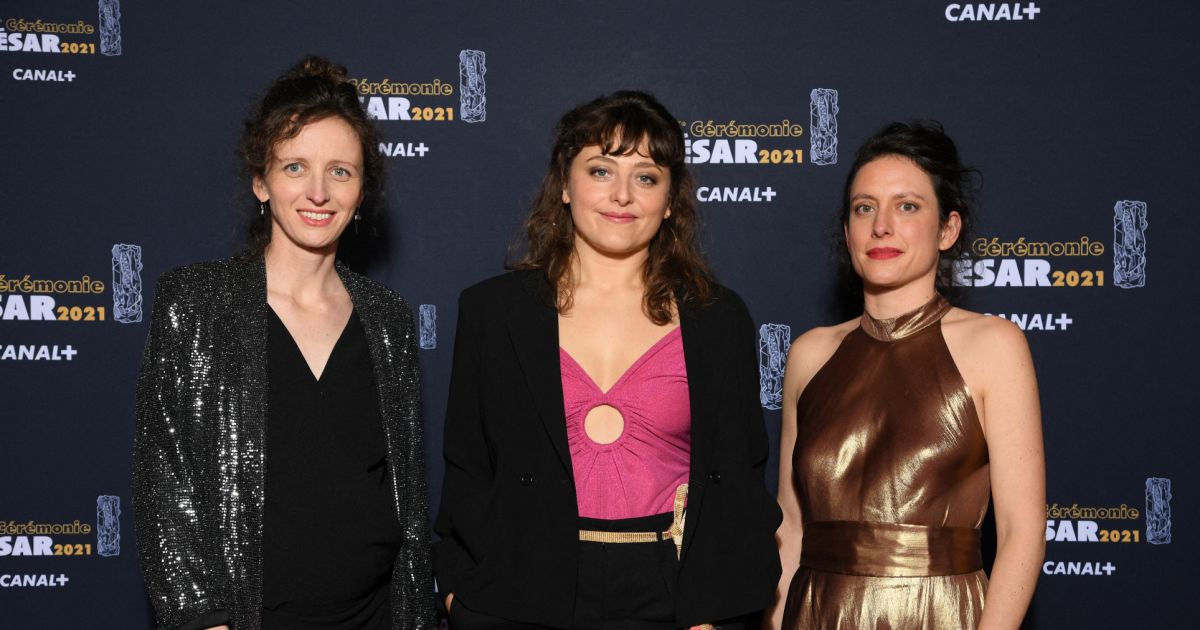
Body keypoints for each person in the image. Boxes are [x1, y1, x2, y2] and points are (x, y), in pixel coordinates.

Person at [433, 91, 782, 630]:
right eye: (600, 170)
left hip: (670, 593)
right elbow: (467, 470)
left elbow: (739, 478)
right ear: (565, 186)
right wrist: (463, 596)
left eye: (646, 177)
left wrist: (719, 608)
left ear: (670, 200)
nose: (622, 195)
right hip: (521, 594)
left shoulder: (717, 316)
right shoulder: (491, 311)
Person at [133, 56, 435, 630]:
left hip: (375, 615)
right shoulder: (199, 303)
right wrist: (206, 621)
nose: (318, 192)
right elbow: (167, 483)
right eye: (295, 167)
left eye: (340, 172)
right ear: (260, 181)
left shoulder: (387, 318)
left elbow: (409, 503)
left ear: (362, 188)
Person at [770, 121, 1045, 629]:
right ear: (848, 229)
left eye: (908, 206)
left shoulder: (994, 346)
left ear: (948, 229)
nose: (882, 226)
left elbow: (1022, 533)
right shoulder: (810, 353)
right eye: (864, 207)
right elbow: (790, 524)